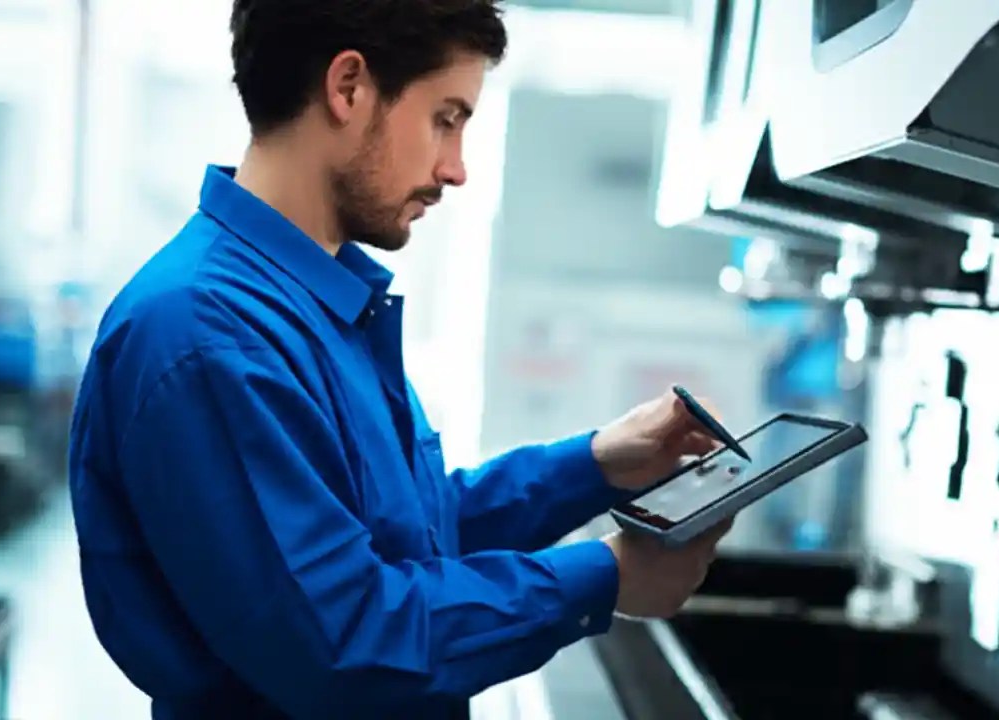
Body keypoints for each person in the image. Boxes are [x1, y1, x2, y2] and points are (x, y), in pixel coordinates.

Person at [67, 1, 734, 718]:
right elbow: (345, 639)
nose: (456, 170)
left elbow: (406, 535)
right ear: (348, 87)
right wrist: (604, 578)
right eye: (446, 119)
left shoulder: (314, 303)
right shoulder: (208, 334)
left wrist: (598, 465)